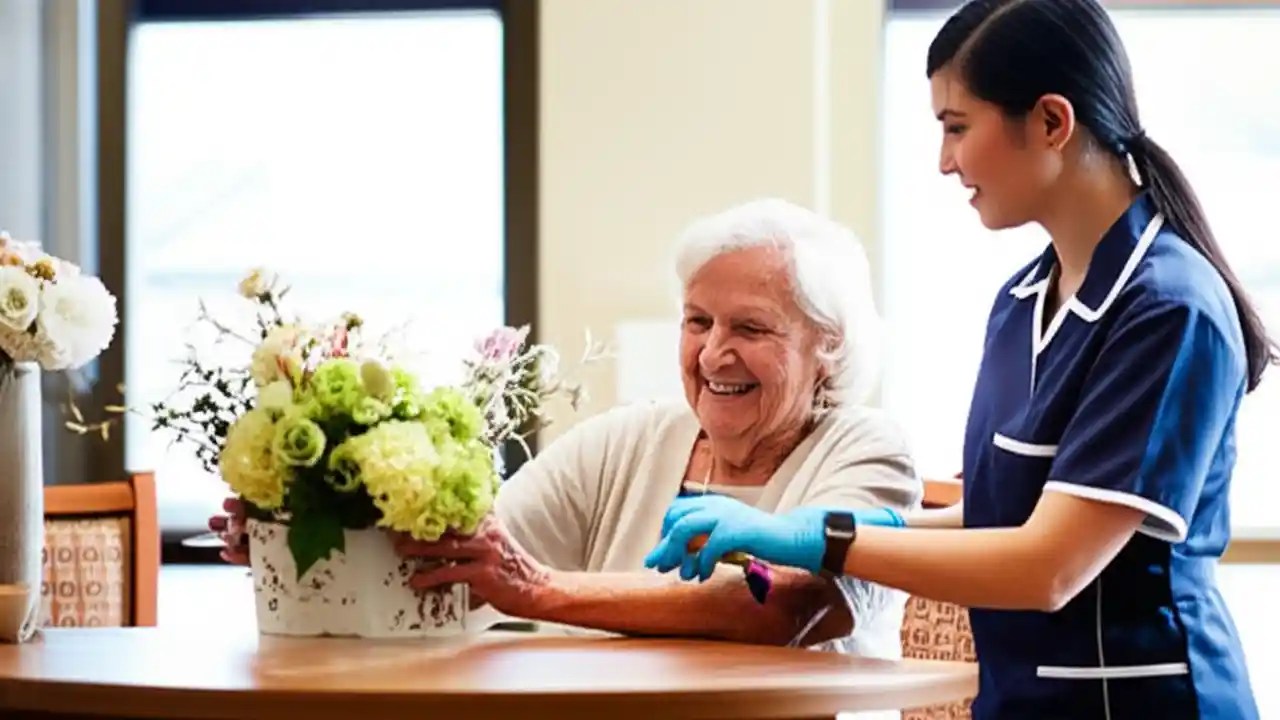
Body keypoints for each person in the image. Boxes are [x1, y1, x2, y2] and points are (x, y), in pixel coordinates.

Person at [646, 1, 1269, 718]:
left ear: (1051, 122)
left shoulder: (1168, 309)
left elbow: (1050, 565)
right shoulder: (1021, 302)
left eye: (957, 128)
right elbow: (998, 518)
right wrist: (813, 525)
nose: (945, 162)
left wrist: (824, 539)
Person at [213, 197, 922, 654]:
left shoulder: (868, 451)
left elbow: (788, 606)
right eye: (698, 321)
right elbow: (457, 574)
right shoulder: (628, 442)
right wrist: (309, 536)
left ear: (828, 347)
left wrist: (542, 592)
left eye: (750, 328)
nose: (712, 353)